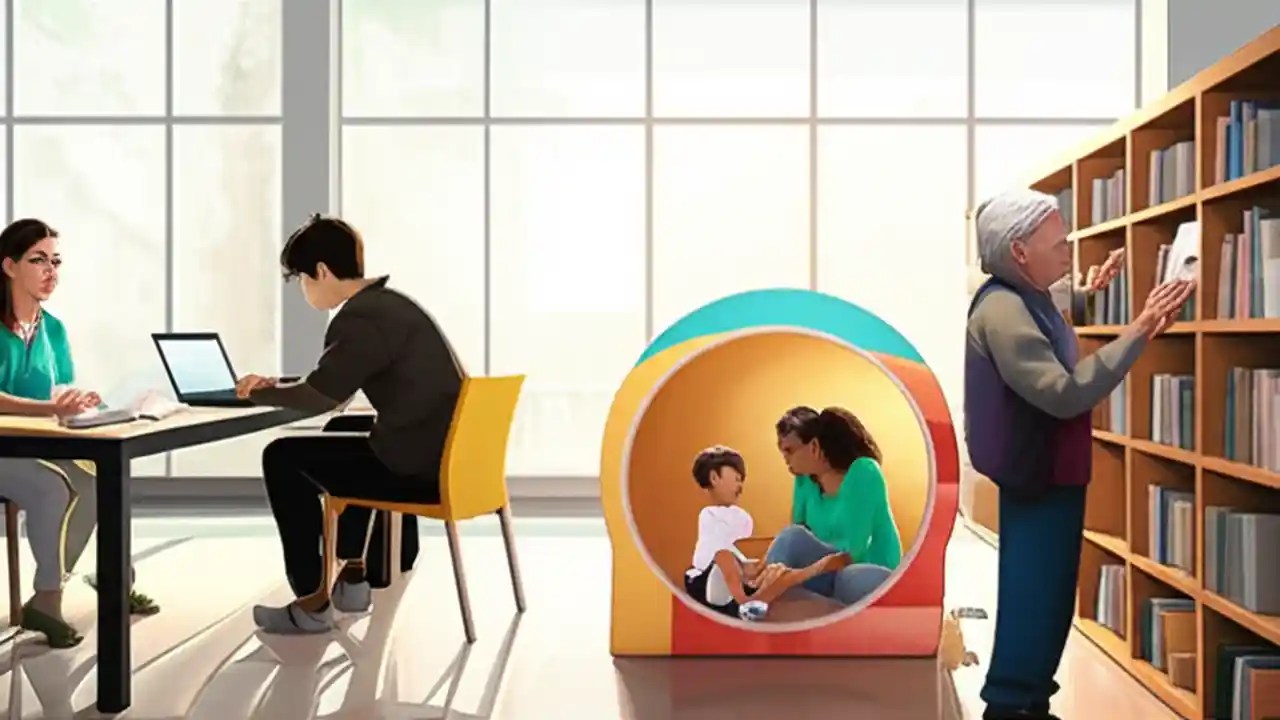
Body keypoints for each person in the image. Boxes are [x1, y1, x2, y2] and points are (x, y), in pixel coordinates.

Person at [966, 189, 1194, 720]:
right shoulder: (1002, 309)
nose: (1069, 251)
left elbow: (1051, 316)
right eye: (1059, 242)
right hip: (1037, 474)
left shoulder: (1025, 293)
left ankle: (1030, 701)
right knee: (1034, 594)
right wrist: (1140, 329)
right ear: (1019, 251)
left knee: (1050, 595)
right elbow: (1062, 392)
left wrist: (1090, 292)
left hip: (1053, 472)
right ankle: (1009, 706)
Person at [236, 214, 465, 635]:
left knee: (282, 457)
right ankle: (353, 579)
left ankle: (311, 603)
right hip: (445, 457)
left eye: (303, 278)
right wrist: (280, 386)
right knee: (342, 434)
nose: (304, 289)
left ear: (322, 271)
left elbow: (319, 398)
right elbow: (332, 386)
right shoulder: (389, 305)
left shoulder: (361, 318)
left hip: (418, 469)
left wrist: (258, 392)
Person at [0, 219, 159, 649]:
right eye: (38, 260)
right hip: (4, 450)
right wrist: (53, 406)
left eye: (55, 261)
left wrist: (78, 401)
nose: (50, 270)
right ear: (9, 266)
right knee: (52, 489)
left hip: (39, 443)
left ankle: (113, 582)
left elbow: (58, 389)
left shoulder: (53, 329)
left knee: (106, 477)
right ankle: (48, 599)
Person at [684, 445, 847, 622]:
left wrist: (752, 565)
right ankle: (744, 601)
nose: (740, 486)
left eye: (742, 481)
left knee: (781, 576)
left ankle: (756, 599)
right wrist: (743, 564)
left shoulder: (743, 518)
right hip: (711, 574)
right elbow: (713, 552)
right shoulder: (709, 514)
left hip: (740, 578)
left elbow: (745, 547)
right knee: (725, 556)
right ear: (714, 477)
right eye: (736, 479)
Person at [766, 405, 901, 605]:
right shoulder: (804, 481)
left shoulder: (864, 472)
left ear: (814, 446)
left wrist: (797, 575)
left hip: (864, 570)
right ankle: (755, 592)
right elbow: (797, 543)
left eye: (790, 450)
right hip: (826, 573)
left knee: (792, 539)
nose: (785, 458)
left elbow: (855, 552)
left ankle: (756, 596)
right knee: (791, 541)